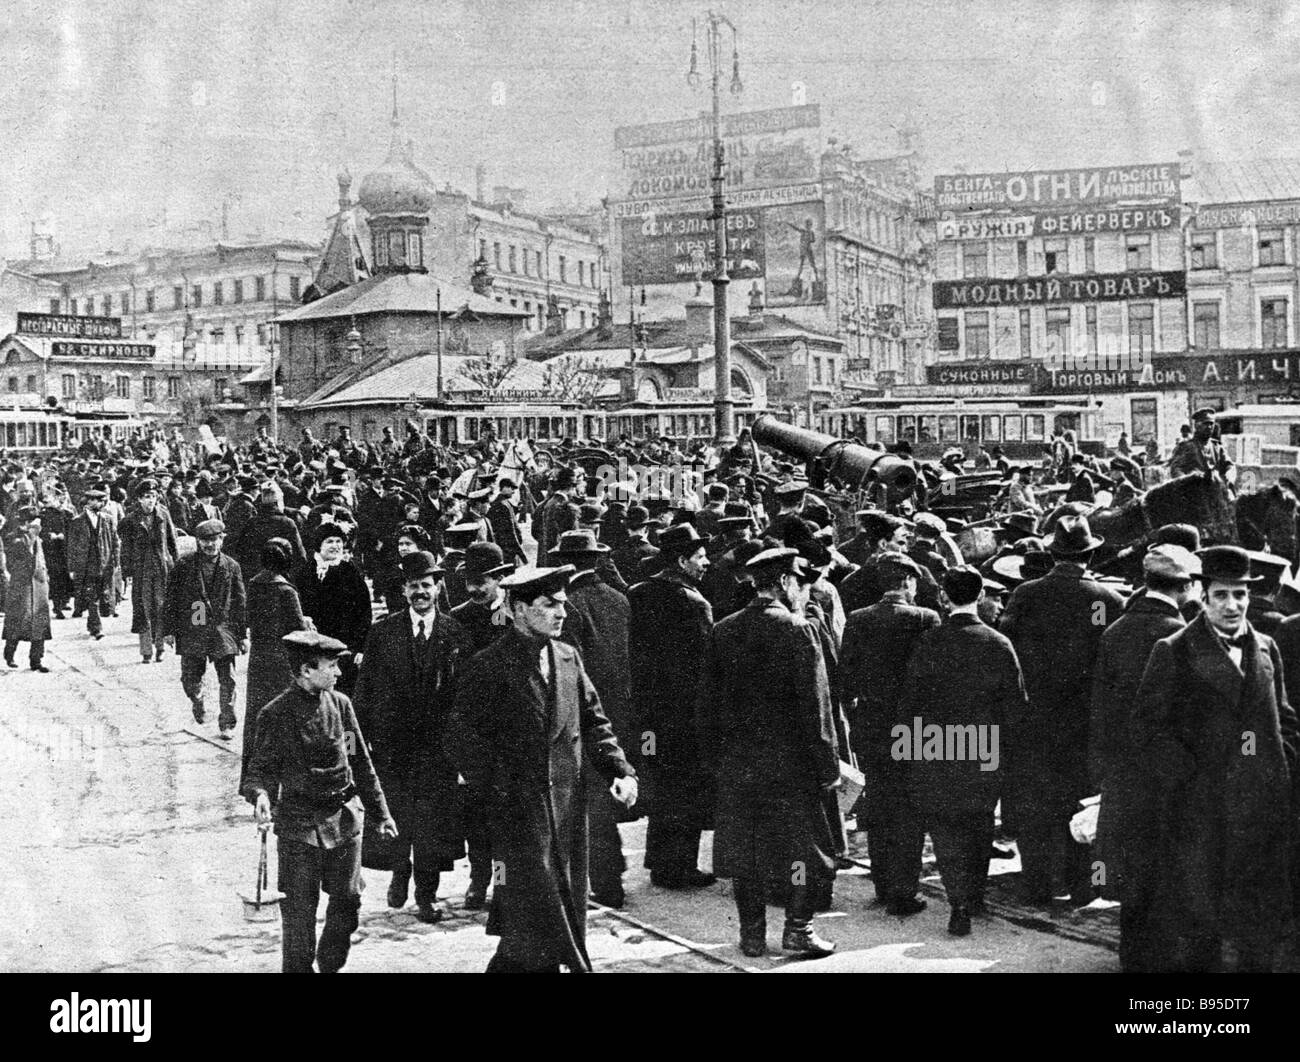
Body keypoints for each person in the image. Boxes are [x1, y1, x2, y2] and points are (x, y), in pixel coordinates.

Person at [447, 566, 638, 972]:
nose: (562, 613)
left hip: (568, 813)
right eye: (549, 605)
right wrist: (501, 788)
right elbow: (461, 740)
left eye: (563, 604)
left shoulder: (568, 657)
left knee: (547, 923)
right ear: (518, 609)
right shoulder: (489, 667)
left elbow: (594, 721)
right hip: (519, 818)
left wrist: (620, 770)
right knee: (535, 920)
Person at [1131, 546, 1298, 972]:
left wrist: (1283, 772)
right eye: (1221, 595)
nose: (1233, 605)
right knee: (1200, 931)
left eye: (1240, 595)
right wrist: (1191, 781)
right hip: (1202, 817)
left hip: (1262, 812)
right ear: (1202, 597)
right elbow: (1149, 732)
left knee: (1257, 928)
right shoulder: (1174, 650)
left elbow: (1284, 720)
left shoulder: (1266, 649)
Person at [698, 547, 839, 959]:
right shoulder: (798, 630)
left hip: (737, 766)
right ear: (782, 583)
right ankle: (799, 929)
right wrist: (827, 765)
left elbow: (705, 705)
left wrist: (713, 761)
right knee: (802, 851)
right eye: (797, 580)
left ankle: (752, 935)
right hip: (790, 768)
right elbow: (817, 708)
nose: (800, 589)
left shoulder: (723, 630)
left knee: (746, 851)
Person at [242, 631, 398, 973]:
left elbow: (360, 762)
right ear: (306, 670)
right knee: (298, 917)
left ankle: (329, 964)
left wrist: (381, 812)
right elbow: (258, 772)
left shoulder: (341, 706)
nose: (339, 673)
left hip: (343, 821)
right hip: (299, 828)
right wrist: (262, 796)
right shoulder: (275, 714)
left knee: (348, 902)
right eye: (331, 665)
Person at [1000, 514, 1124, 906]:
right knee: (1080, 801)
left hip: (1034, 717)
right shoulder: (1106, 601)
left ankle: (1037, 883)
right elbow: (1108, 656)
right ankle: (1082, 885)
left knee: (1036, 800)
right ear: (1090, 554)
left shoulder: (1026, 595)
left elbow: (1010, 650)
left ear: (1053, 553)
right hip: (1084, 721)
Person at [1088, 544, 1198, 972]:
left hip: (1124, 771)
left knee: (1131, 864)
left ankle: (1132, 956)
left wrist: (1102, 770)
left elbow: (1099, 709)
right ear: (1185, 585)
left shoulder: (1114, 631)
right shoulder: (1184, 635)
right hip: (1170, 773)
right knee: (1169, 865)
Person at [900, 566, 1027, 936]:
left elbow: (910, 703)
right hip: (984, 747)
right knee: (980, 822)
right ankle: (974, 896)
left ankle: (958, 901)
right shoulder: (998, 643)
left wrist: (909, 752)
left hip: (938, 747)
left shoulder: (928, 642)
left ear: (943, 596)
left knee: (945, 827)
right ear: (982, 593)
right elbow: (1016, 707)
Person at [354, 550, 473, 923]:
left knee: (433, 823)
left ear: (437, 588)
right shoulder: (383, 632)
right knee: (397, 814)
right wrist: (362, 742)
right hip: (394, 746)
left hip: (438, 749)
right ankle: (398, 870)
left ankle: (427, 894)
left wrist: (462, 746)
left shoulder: (455, 633)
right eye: (412, 586)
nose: (419, 592)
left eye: (425, 585)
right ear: (403, 590)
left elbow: (465, 695)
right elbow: (365, 691)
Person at [839, 552, 938, 915]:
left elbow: (844, 679)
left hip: (872, 724)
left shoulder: (858, 618)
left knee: (879, 803)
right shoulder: (926, 618)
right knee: (910, 808)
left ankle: (882, 885)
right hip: (914, 727)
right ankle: (904, 891)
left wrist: (859, 713)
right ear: (909, 582)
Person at [628, 523, 717, 889]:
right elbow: (705, 665)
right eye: (699, 557)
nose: (706, 563)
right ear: (681, 561)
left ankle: (660, 862)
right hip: (685, 716)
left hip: (649, 715)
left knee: (661, 785)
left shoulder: (638, 593)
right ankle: (680, 867)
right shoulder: (694, 602)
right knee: (688, 787)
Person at [553, 529, 635, 909]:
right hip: (617, 712)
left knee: (589, 803)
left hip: (582, 715)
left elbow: (570, 669)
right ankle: (610, 877)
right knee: (606, 793)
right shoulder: (619, 599)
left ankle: (604, 881)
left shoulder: (568, 606)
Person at [161, 518, 248, 739]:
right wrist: (169, 630)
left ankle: (227, 722)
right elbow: (170, 599)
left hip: (223, 629)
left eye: (215, 540)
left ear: (222, 540)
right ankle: (197, 698)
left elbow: (240, 602)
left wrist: (243, 634)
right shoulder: (184, 565)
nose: (210, 545)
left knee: (228, 679)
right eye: (205, 540)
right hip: (193, 629)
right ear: (198, 541)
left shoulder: (231, 566)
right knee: (189, 679)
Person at [242, 538, 311, 792]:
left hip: (259, 660)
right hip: (283, 663)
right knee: (287, 721)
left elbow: (248, 617)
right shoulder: (286, 591)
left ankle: (256, 786)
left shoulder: (254, 585)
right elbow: (297, 629)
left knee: (258, 721)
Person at [291, 522, 372, 696]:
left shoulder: (351, 573)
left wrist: (359, 648)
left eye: (338, 541)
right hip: (312, 647)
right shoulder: (305, 572)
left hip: (343, 648)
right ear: (319, 545)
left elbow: (364, 614)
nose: (335, 546)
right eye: (329, 541)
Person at [119, 478, 179, 664]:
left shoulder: (163, 514)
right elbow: (125, 548)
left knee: (161, 607)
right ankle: (146, 650)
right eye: (146, 497)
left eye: (153, 496)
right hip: (141, 571)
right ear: (139, 499)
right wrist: (126, 572)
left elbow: (172, 541)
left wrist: (176, 566)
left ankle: (160, 646)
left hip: (161, 569)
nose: (150, 501)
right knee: (143, 610)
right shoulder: (130, 520)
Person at [3, 506, 52, 673]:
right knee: (17, 620)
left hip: (39, 583)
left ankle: (36, 660)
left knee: (40, 621)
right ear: (24, 522)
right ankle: (9, 653)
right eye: (33, 522)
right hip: (21, 584)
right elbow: (22, 547)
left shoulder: (36, 536)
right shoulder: (13, 537)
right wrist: (32, 532)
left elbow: (41, 557)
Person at [67, 487, 120, 641]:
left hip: (104, 563)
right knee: (91, 596)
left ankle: (92, 624)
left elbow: (115, 541)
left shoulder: (107, 519)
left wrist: (116, 561)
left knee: (102, 595)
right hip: (86, 565)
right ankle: (97, 628)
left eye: (102, 500)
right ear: (90, 502)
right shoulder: (77, 521)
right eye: (98, 501)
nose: (102, 503)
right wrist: (72, 567)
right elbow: (71, 546)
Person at [1169, 407, 1234, 488]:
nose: (1209, 427)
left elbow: (1229, 465)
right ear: (1197, 426)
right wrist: (1185, 484)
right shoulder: (1186, 447)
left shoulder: (1217, 447)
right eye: (1206, 424)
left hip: (1215, 490)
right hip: (1194, 492)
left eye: (1211, 424)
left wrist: (1229, 476)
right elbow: (1176, 468)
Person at [486, 478, 527, 567]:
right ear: (504, 488)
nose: (513, 492)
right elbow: (510, 532)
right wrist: (522, 554)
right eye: (511, 488)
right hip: (508, 549)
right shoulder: (502, 505)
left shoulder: (503, 502)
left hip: (507, 549)